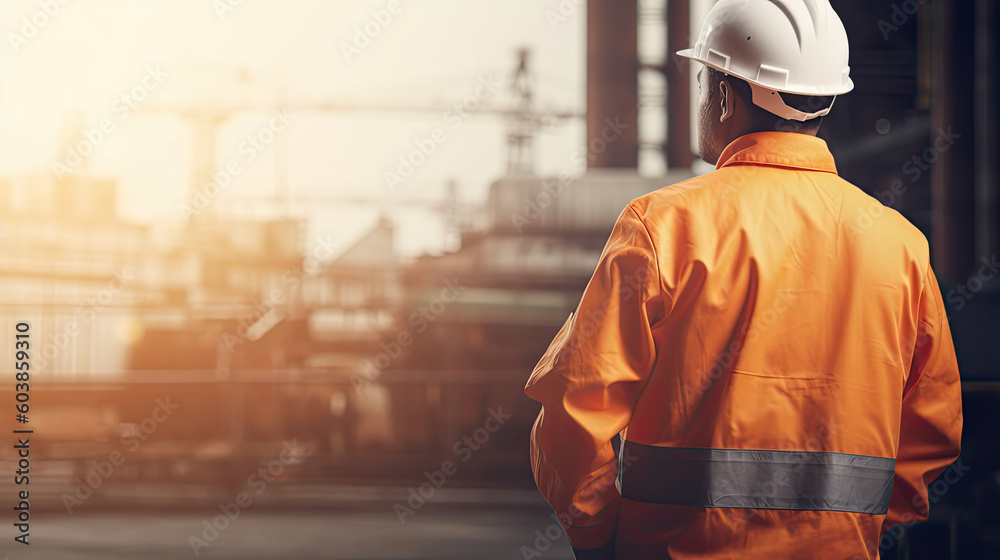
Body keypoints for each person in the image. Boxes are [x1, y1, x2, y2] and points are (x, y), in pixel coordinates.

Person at [524, 1, 963, 558]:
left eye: (703, 81)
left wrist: (595, 537)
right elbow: (933, 429)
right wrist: (863, 533)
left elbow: (575, 413)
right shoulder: (901, 245)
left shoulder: (661, 226)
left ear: (726, 97)